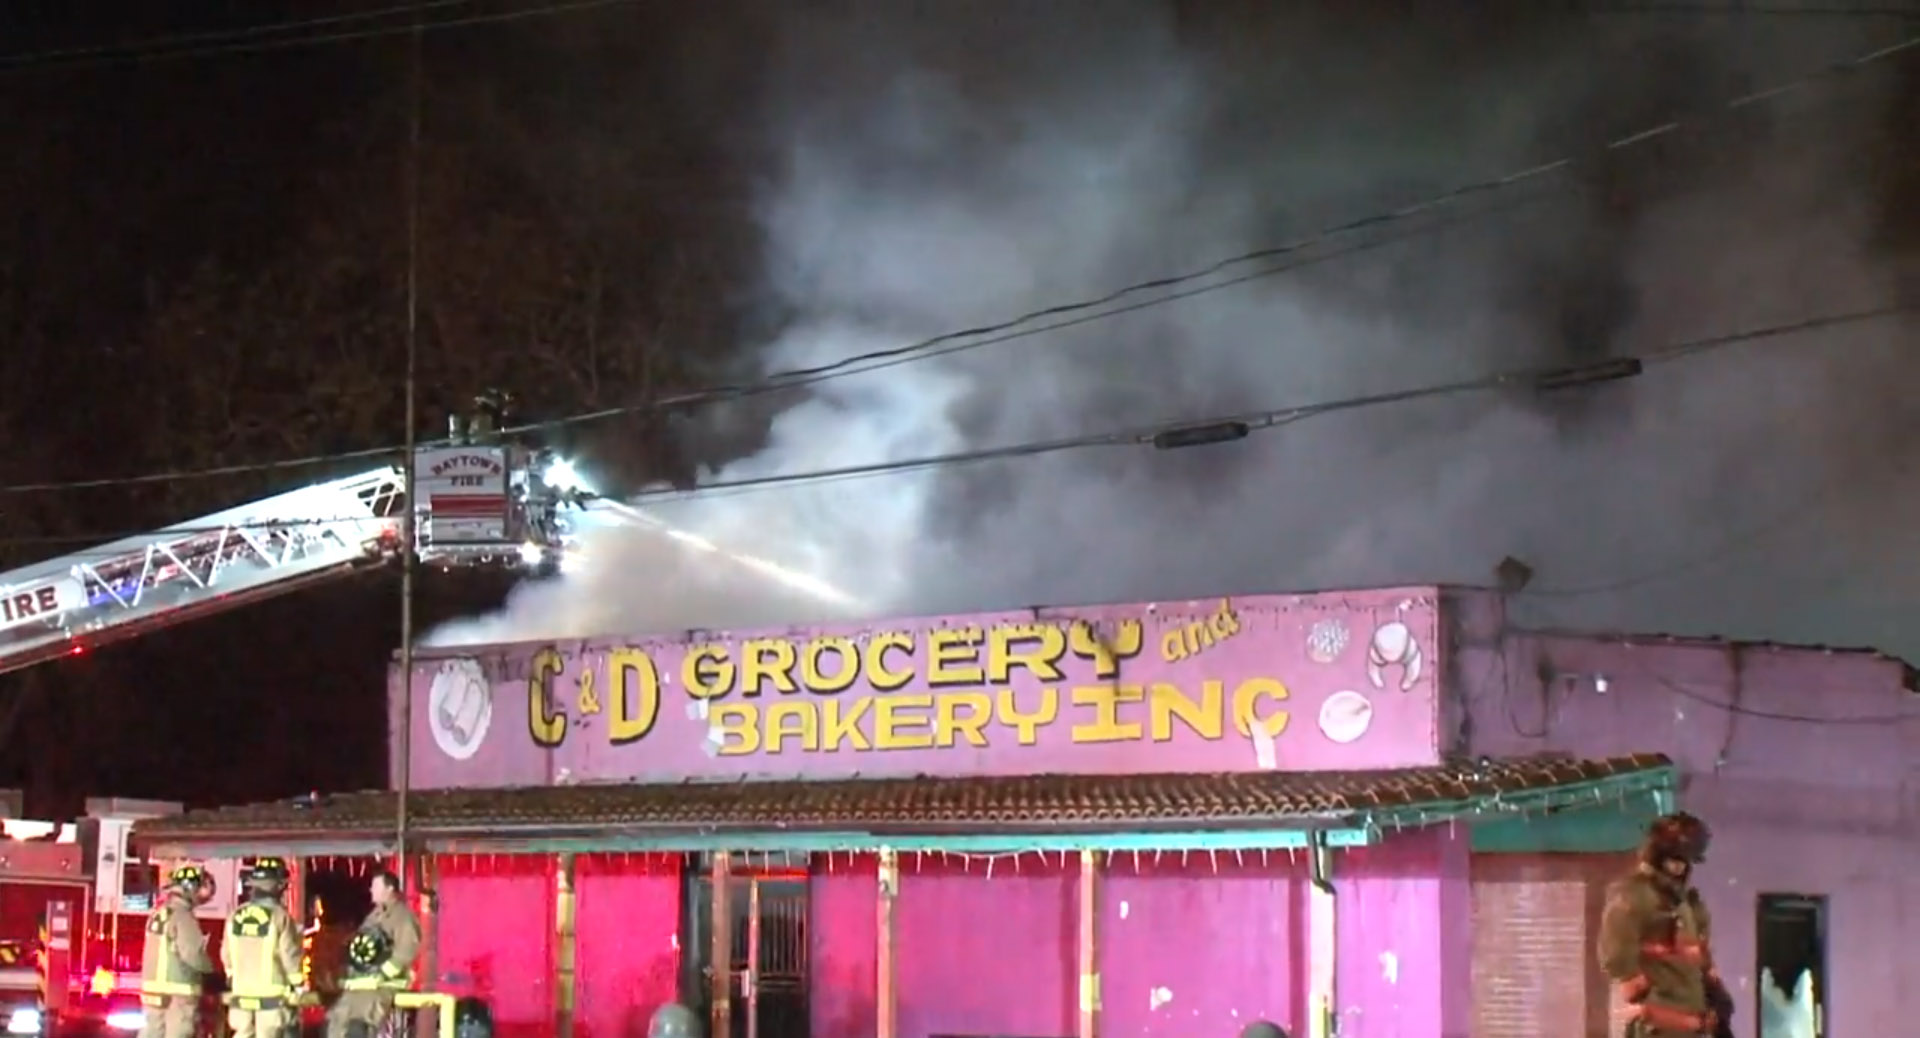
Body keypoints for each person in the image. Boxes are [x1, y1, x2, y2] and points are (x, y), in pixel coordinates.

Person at [1596, 812, 1734, 1037]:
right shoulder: (1636, 897)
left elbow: (1700, 959)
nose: (1682, 868)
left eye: (1686, 861)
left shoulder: (1687, 904)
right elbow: (1619, 960)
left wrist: (1716, 996)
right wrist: (1648, 1001)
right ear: (1660, 856)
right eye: (1677, 860)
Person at [326, 870, 422, 1038]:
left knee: (359, 1025)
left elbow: (406, 950)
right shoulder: (374, 916)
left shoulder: (402, 917)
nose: (371, 889)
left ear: (390, 889)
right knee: (335, 1020)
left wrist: (383, 973)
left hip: (384, 986)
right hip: (362, 983)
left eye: (375, 886)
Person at [223, 858, 304, 1038]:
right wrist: (298, 985)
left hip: (241, 996)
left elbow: (226, 954)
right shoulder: (280, 917)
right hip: (271, 1000)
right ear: (279, 885)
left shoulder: (235, 916)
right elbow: (290, 955)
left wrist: (232, 976)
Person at [139, 865, 216, 1038]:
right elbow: (192, 954)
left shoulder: (157, 914)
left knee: (152, 1033)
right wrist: (211, 974)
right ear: (191, 888)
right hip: (178, 992)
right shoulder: (183, 916)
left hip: (152, 990)